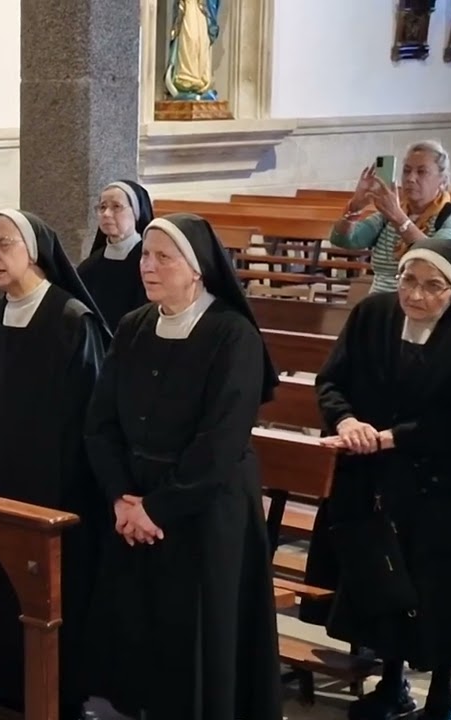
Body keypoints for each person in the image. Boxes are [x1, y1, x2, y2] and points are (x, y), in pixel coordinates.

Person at [83, 213, 283, 720]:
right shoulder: (132, 326)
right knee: (140, 635)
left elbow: (221, 440)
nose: (147, 266)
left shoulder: (233, 335)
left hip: (205, 512)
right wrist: (121, 497)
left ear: (196, 269)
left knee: (198, 644)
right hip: (135, 507)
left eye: (162, 257)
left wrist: (156, 509)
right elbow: (100, 424)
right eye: (145, 256)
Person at [302, 238, 451, 720]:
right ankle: (392, 682)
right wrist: (345, 422)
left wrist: (386, 438)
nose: (416, 295)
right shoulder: (374, 314)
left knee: (437, 591)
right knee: (381, 582)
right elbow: (331, 380)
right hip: (372, 478)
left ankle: (442, 695)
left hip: (433, 481)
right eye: (408, 280)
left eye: (432, 287)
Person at [0, 210, 109, 719]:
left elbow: (90, 418)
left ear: (34, 249)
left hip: (56, 491)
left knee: (54, 599)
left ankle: (61, 694)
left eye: (3, 244)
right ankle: (2, 683)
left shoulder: (70, 321)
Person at [330, 140, 451, 294]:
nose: (411, 178)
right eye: (406, 171)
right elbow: (343, 240)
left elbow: (437, 257)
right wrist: (355, 207)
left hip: (424, 305)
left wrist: (398, 218)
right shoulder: (387, 216)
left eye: (421, 172)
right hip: (379, 304)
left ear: (442, 181)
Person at [77, 179, 155, 331]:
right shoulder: (90, 266)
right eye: (102, 207)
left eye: (116, 207)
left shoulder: (150, 262)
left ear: (136, 212)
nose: (106, 214)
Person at [165, 0, 222, 100]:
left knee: (202, 41)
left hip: (201, 6)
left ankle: (198, 81)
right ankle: (185, 79)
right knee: (190, 37)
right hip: (188, 4)